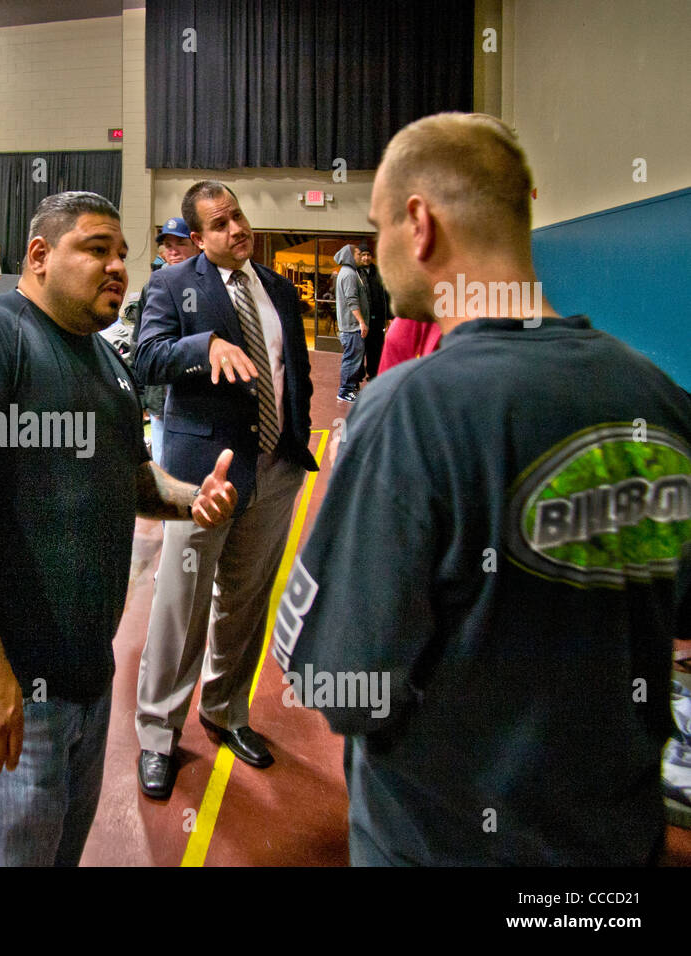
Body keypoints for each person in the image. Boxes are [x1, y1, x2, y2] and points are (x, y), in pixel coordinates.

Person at [275, 111, 691, 866]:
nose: (376, 254)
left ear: (419, 223)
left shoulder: (406, 414)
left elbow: (340, 686)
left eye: (377, 230)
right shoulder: (656, 397)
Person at [0, 191, 239, 866]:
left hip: (84, 679)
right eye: (96, 248)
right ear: (41, 256)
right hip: (5, 686)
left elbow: (136, 481)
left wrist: (193, 498)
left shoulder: (108, 365)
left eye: (122, 254)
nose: (117, 267)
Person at [133, 181, 318, 799]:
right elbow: (147, 359)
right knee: (179, 606)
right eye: (219, 224)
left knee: (245, 601)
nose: (235, 229)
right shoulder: (171, 285)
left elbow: (291, 370)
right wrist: (203, 344)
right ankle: (158, 732)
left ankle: (225, 710)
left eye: (237, 215)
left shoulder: (279, 289)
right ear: (197, 237)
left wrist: (296, 436)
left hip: (275, 468)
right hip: (200, 477)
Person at [132, 217, 197, 463]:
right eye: (167, 245)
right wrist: (140, 397)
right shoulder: (153, 288)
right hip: (161, 397)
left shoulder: (207, 285)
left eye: (180, 243)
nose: (173, 250)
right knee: (162, 468)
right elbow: (139, 343)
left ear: (196, 244)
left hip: (197, 400)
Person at [333, 244, 368, 402]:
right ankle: (345, 391)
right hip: (351, 327)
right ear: (350, 256)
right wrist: (361, 322)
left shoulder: (351, 273)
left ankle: (350, 388)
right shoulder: (349, 275)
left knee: (354, 358)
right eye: (358, 254)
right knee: (351, 359)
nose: (361, 257)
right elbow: (351, 300)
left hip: (352, 327)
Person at [355, 248, 390, 379]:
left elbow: (386, 296)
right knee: (360, 348)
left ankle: (374, 373)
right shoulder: (356, 273)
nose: (366, 258)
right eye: (363, 255)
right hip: (362, 319)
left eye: (368, 255)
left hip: (377, 318)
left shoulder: (378, 273)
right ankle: (358, 374)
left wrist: (388, 317)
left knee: (375, 348)